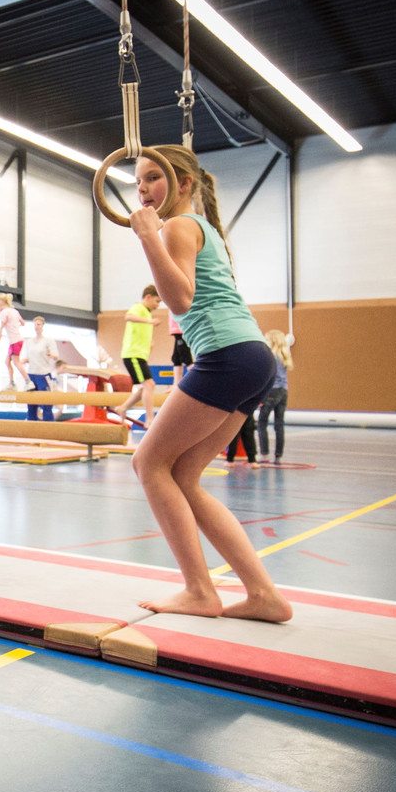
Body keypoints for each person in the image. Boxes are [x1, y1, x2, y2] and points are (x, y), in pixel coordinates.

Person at [125, 143, 293, 623]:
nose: (143, 189)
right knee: (183, 476)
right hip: (253, 358)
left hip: (228, 356)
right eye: (138, 182)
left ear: (184, 185)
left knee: (148, 462)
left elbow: (178, 298)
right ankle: (264, 595)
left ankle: (200, 590)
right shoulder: (204, 231)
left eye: (154, 178)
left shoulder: (179, 225)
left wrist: (147, 238)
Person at [111, 285, 162, 427]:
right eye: (157, 301)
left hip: (139, 355)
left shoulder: (147, 313)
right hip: (132, 354)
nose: (158, 305)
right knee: (149, 384)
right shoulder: (139, 308)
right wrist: (149, 322)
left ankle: (122, 408)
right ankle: (150, 418)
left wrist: (150, 344)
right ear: (148, 297)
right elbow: (128, 317)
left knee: (146, 387)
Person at [257, 329, 292, 464]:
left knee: (262, 423)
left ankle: (264, 453)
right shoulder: (284, 356)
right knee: (279, 424)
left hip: (272, 391)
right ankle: (278, 456)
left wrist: (260, 397)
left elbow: (268, 377)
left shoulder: (270, 356)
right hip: (284, 391)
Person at [21, 316, 59, 421]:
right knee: (31, 404)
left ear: (43, 326)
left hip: (43, 374)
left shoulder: (48, 341)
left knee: (46, 404)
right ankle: (31, 424)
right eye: (35, 324)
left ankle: (48, 427)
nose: (36, 326)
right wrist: (24, 360)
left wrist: (52, 355)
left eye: (38, 324)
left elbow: (56, 355)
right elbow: (27, 357)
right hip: (31, 374)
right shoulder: (28, 342)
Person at [0, 292, 32, 390]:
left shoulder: (4, 313)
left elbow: (1, 329)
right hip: (17, 340)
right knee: (7, 361)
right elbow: (23, 323)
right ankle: (12, 383)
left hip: (15, 341)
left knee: (16, 362)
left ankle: (28, 381)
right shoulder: (14, 311)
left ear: (0, 303)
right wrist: (14, 327)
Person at [168, 309, 193, 386]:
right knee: (176, 358)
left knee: (186, 358)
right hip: (177, 331)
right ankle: (176, 385)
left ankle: (200, 383)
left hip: (181, 330)